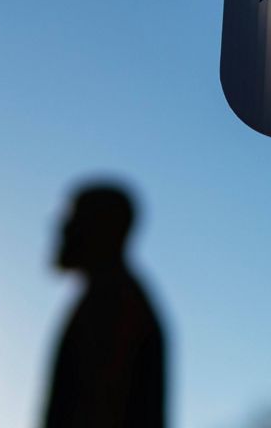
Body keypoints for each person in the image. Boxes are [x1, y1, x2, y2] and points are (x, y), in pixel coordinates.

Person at [44, 182, 166, 428]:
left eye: (73, 217)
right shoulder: (112, 297)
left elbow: (96, 408)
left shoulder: (114, 304)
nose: (62, 228)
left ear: (104, 228)